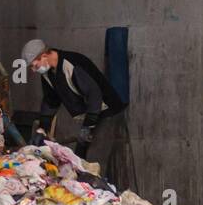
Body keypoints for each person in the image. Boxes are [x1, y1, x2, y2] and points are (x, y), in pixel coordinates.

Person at [21, 38, 130, 177]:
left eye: (34, 66)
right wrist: (42, 129)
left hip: (107, 113)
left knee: (95, 160)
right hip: (91, 116)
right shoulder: (48, 73)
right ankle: (85, 189)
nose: (33, 70)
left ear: (44, 56)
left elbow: (94, 94)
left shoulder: (71, 64)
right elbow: (51, 101)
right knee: (79, 158)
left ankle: (103, 194)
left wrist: (88, 126)